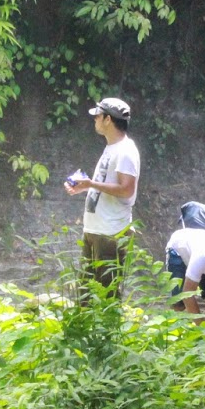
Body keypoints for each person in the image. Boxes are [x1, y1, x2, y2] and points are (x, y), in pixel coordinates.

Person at [66, 98, 140, 296]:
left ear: (108, 119)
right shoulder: (112, 148)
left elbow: (127, 189)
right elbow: (110, 187)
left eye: (97, 116)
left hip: (111, 232)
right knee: (85, 296)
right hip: (95, 230)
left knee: (107, 297)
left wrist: (91, 184)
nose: (94, 120)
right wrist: (84, 188)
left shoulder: (125, 151)